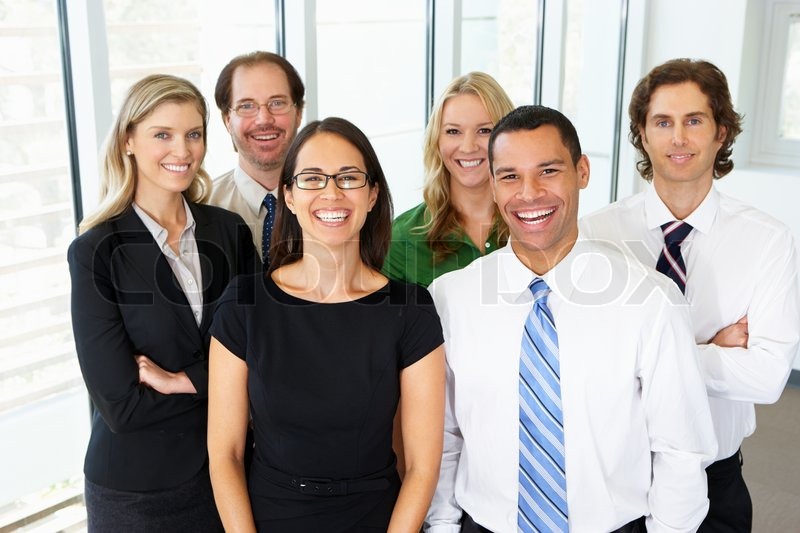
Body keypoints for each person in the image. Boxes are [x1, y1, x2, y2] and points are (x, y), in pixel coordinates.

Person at [425, 105, 717, 533]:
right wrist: (443, 527)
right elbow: (445, 439)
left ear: (582, 171)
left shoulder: (650, 300)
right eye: (509, 176)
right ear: (492, 183)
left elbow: (681, 450)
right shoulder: (451, 298)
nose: (528, 193)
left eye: (548, 171)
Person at [581, 58, 800, 532]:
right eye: (662, 122)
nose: (678, 138)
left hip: (713, 478)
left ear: (721, 132)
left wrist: (643, 361)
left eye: (694, 121)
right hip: (616, 476)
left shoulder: (768, 240)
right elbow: (584, 361)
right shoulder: (595, 234)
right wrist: (710, 352)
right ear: (642, 134)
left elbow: (765, 377)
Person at [208, 117, 446, 532]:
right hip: (270, 518)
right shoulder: (243, 304)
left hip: (375, 519)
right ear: (289, 195)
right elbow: (225, 453)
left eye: (349, 177)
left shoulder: (411, 310)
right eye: (312, 178)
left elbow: (423, 467)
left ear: (373, 195)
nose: (331, 192)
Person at [68, 74, 257, 532]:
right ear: (128, 140)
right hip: (138, 495)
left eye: (194, 134)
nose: (183, 150)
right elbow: (121, 407)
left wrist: (182, 381)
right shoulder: (96, 252)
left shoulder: (229, 233)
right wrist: (226, 387)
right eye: (163, 135)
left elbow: (267, 354)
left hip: (232, 476)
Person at [383, 72, 515, 287]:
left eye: (484, 130)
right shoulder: (401, 239)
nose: (468, 147)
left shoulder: (535, 222)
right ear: (436, 140)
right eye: (453, 131)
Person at [208, 51, 305, 267]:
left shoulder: (333, 204)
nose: (263, 119)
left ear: (299, 113)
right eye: (247, 106)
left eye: (277, 103)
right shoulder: (201, 210)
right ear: (227, 120)